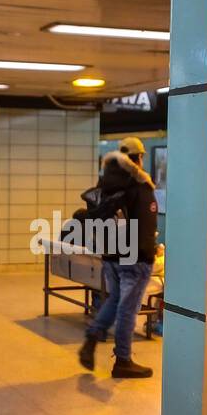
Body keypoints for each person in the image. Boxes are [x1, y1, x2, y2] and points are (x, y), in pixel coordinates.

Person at [78, 136, 158, 378]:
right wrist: (148, 253)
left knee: (115, 300)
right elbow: (143, 225)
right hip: (135, 258)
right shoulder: (139, 184)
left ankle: (94, 332)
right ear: (139, 158)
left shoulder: (108, 184)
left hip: (111, 255)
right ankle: (123, 360)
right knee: (128, 309)